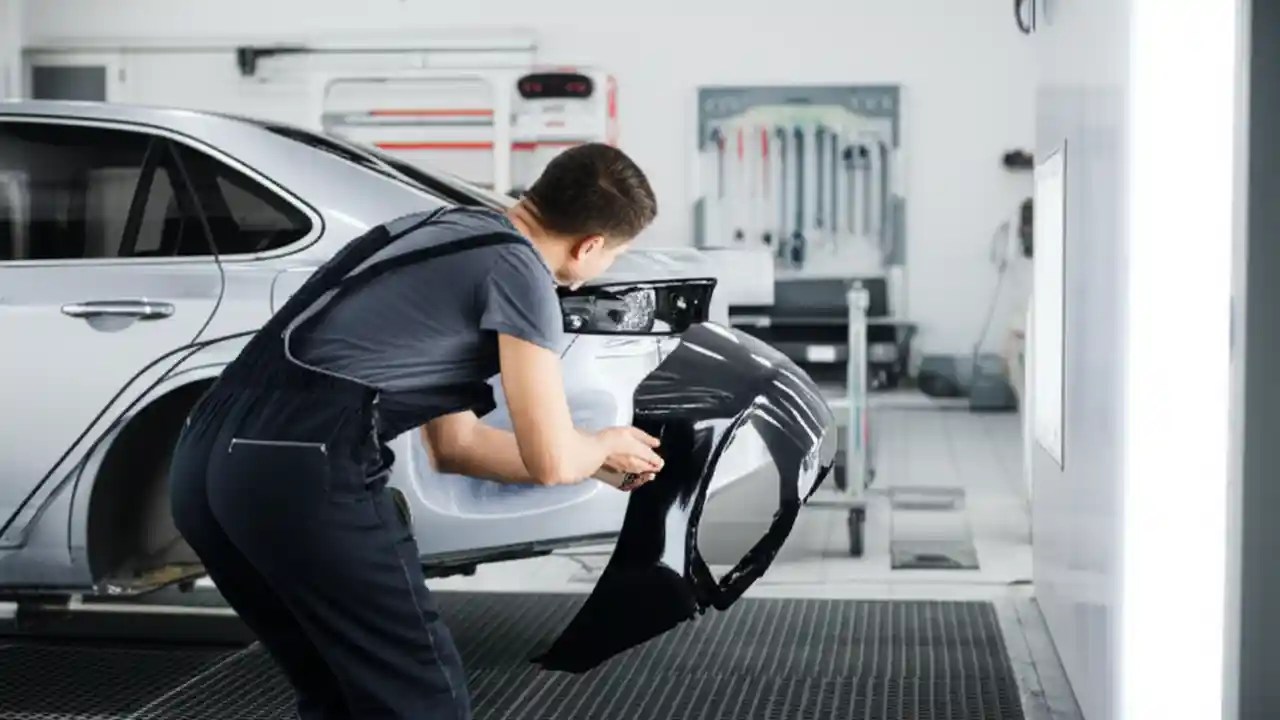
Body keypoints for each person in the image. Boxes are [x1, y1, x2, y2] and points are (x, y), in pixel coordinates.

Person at [168, 143, 665, 720]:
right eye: (615, 257)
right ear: (591, 247)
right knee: (420, 697)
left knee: (337, 692)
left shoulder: (436, 228)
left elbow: (460, 447)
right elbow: (552, 460)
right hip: (303, 463)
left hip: (209, 458)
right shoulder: (522, 273)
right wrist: (600, 441)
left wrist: (595, 463)